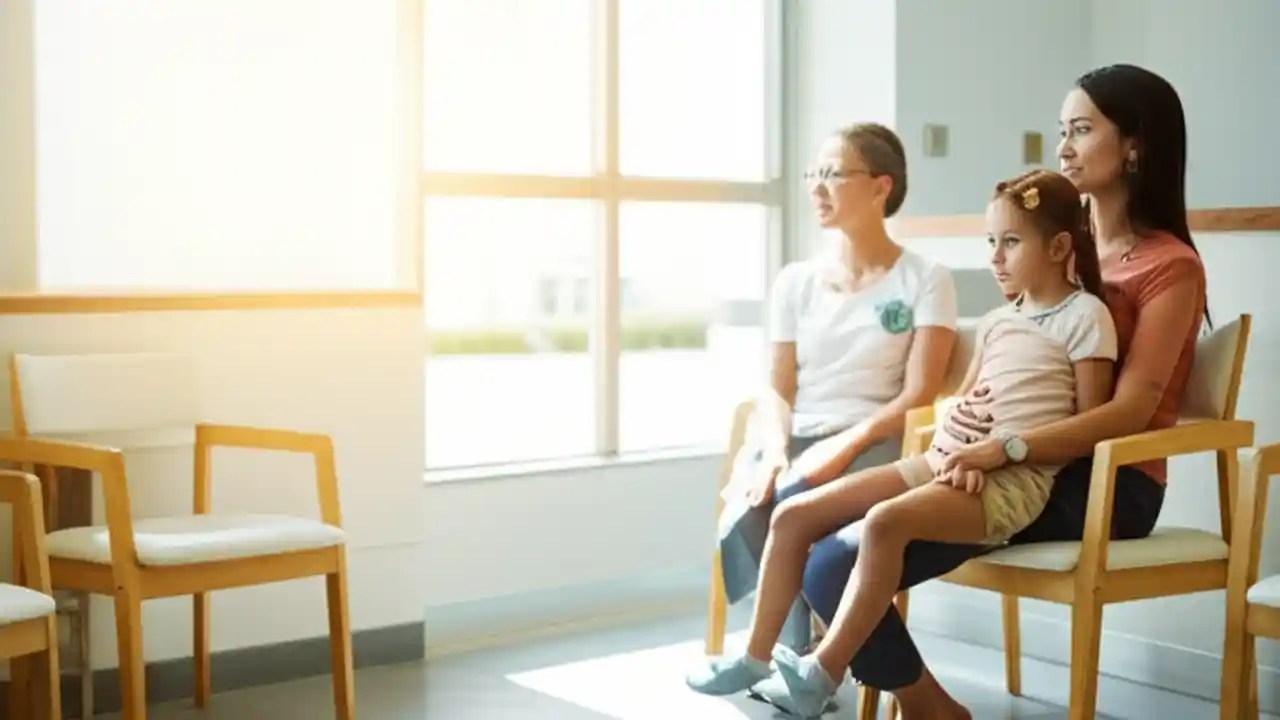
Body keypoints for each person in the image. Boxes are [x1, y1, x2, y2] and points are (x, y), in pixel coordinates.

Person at [772, 63, 1208, 719]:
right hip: (1015, 458)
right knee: (825, 557)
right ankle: (931, 706)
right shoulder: (1060, 246)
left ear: (1135, 144)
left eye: (1082, 130)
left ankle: (918, 706)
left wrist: (1003, 450)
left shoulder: (1168, 265)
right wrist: (972, 436)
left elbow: (1129, 410)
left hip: (1105, 484)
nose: (1062, 147)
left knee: (842, 559)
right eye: (1062, 130)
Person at [689, 169, 1118, 717]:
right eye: (991, 241)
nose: (996, 256)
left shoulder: (1086, 318)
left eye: (1011, 242)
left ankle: (823, 669)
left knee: (883, 524)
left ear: (1059, 246)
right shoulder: (995, 322)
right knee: (794, 515)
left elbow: (1089, 426)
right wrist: (957, 437)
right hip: (945, 462)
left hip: (1010, 480)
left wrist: (997, 451)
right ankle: (754, 658)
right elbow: (963, 401)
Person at [715, 122, 958, 656]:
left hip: (874, 441)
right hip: (795, 436)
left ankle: (792, 657)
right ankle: (793, 652)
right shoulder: (794, 281)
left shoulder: (925, 278)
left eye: (833, 174)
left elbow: (919, 395)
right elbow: (778, 389)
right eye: (813, 174)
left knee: (791, 503)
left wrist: (842, 447)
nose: (816, 188)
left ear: (880, 186)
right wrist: (776, 450)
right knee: (756, 500)